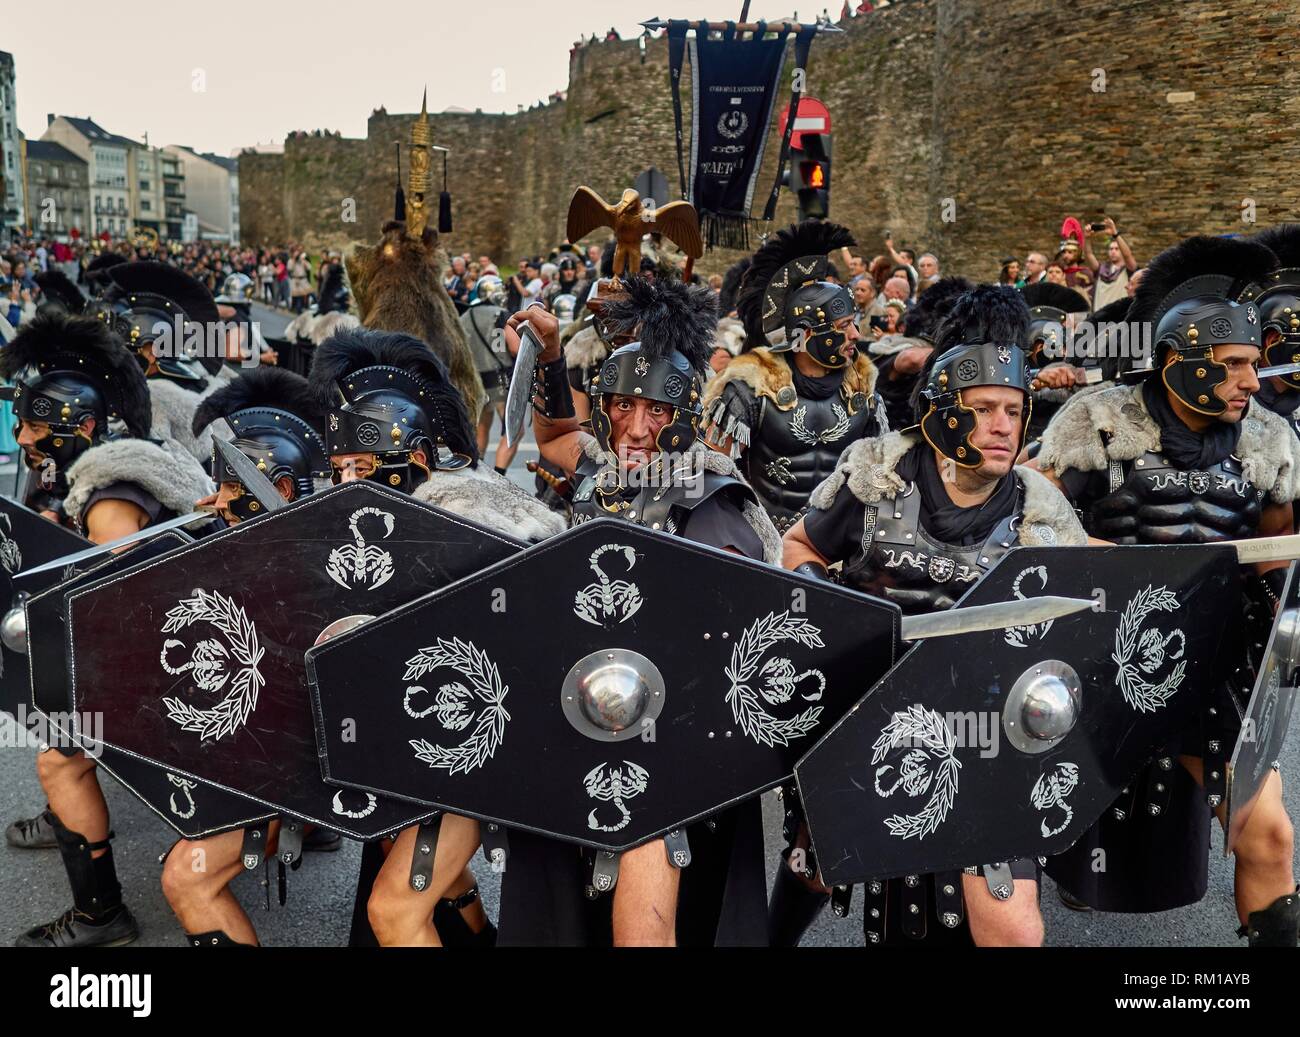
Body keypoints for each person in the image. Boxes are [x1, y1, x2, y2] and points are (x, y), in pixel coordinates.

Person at [777, 284, 1087, 945]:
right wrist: (833, 607)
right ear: (946, 414)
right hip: (871, 710)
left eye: (1013, 409)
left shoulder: (1041, 509)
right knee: (816, 861)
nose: (1004, 425)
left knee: (1013, 926)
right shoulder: (875, 475)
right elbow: (798, 544)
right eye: (984, 409)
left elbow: (1080, 615)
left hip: (990, 731)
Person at [1032, 235, 1300, 946]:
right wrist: (1126, 565)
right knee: (1010, 829)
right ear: (1181, 360)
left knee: (1268, 834)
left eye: (1254, 362)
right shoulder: (1097, 419)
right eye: (1236, 364)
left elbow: (1277, 553)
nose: (1253, 379)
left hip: (1215, 654)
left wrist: (1285, 612)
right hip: (1091, 652)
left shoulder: (1270, 439)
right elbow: (1031, 521)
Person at [504, 273, 780, 945]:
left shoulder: (714, 501)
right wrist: (545, 355)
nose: (635, 425)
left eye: (656, 411)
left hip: (672, 748)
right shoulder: (602, 473)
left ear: (684, 417)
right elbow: (557, 439)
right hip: (580, 722)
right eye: (623, 405)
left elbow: (732, 648)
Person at [308, 327, 562, 948]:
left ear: (413, 461)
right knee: (412, 883)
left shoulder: (477, 526)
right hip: (410, 749)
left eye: (362, 468)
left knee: (393, 912)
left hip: (479, 753)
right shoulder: (373, 525)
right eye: (338, 469)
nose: (345, 485)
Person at [1, 312, 213, 947]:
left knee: (57, 760)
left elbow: (110, 604)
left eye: (36, 428)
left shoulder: (112, 496)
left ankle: (101, 916)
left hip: (174, 670)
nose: (24, 439)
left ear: (82, 428)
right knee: (58, 746)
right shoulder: (129, 465)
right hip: (175, 645)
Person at [701, 221, 888, 532]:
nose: (856, 335)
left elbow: (879, 477)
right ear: (807, 334)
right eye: (843, 327)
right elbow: (713, 476)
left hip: (838, 545)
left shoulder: (863, 390)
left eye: (855, 323)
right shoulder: (750, 389)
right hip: (762, 543)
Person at [1082, 216, 1137, 310]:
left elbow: (1128, 255)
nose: (1113, 251)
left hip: (1119, 319)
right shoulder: (1101, 269)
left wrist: (1115, 233)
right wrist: (1087, 238)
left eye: (1117, 249)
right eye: (1111, 249)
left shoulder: (1128, 269)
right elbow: (1089, 255)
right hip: (1099, 318)